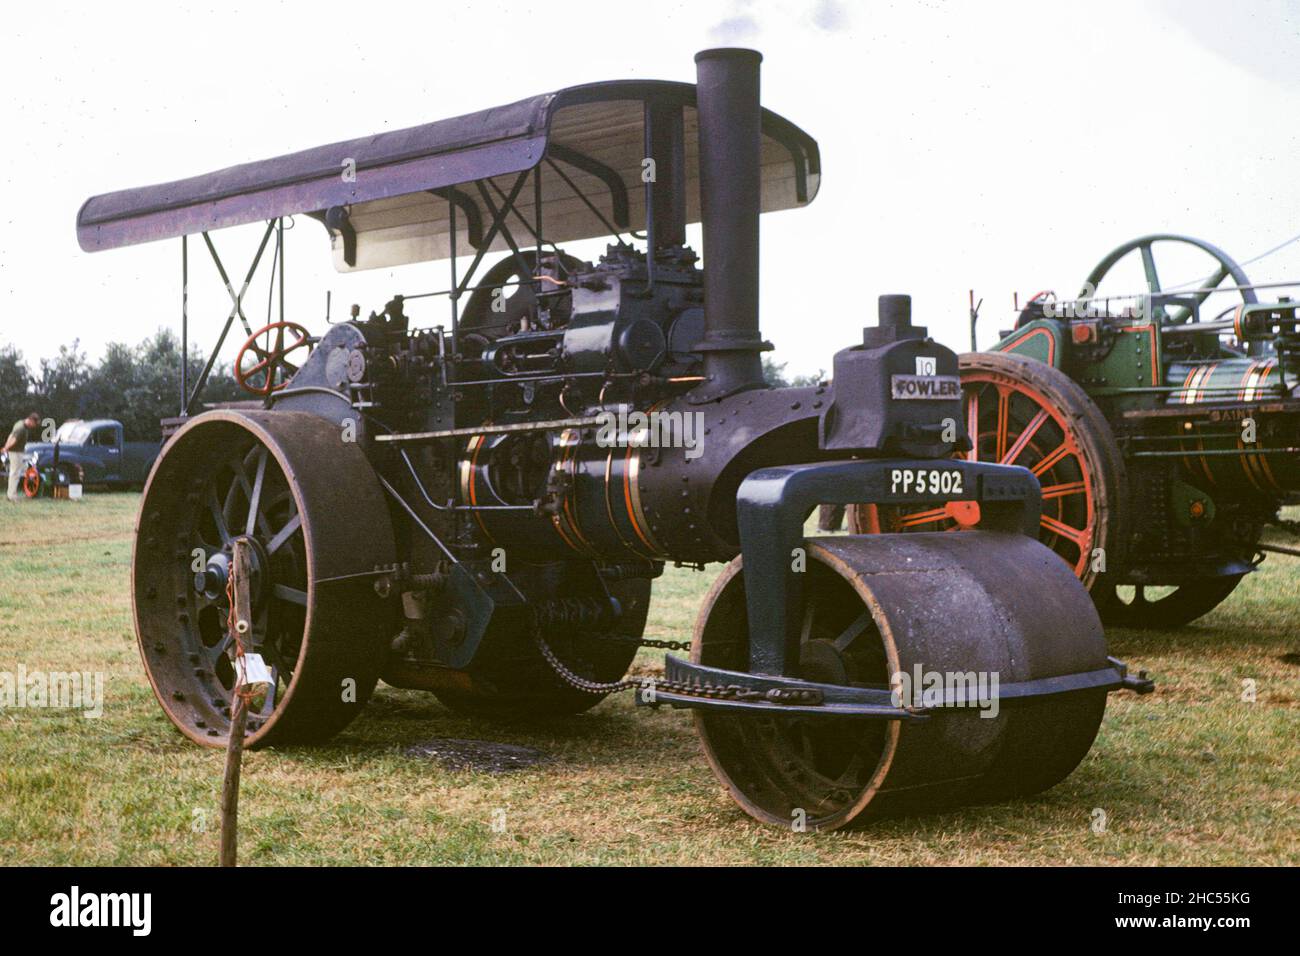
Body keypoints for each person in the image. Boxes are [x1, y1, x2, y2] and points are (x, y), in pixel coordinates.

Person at [4, 412, 40, 502]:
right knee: (15, 473)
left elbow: (11, 435)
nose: (34, 426)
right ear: (31, 420)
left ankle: (11, 494)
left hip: (17, 452)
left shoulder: (19, 423)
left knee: (16, 472)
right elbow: (14, 439)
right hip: (15, 453)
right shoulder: (21, 428)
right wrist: (6, 448)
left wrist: (6, 447)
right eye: (34, 424)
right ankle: (12, 495)